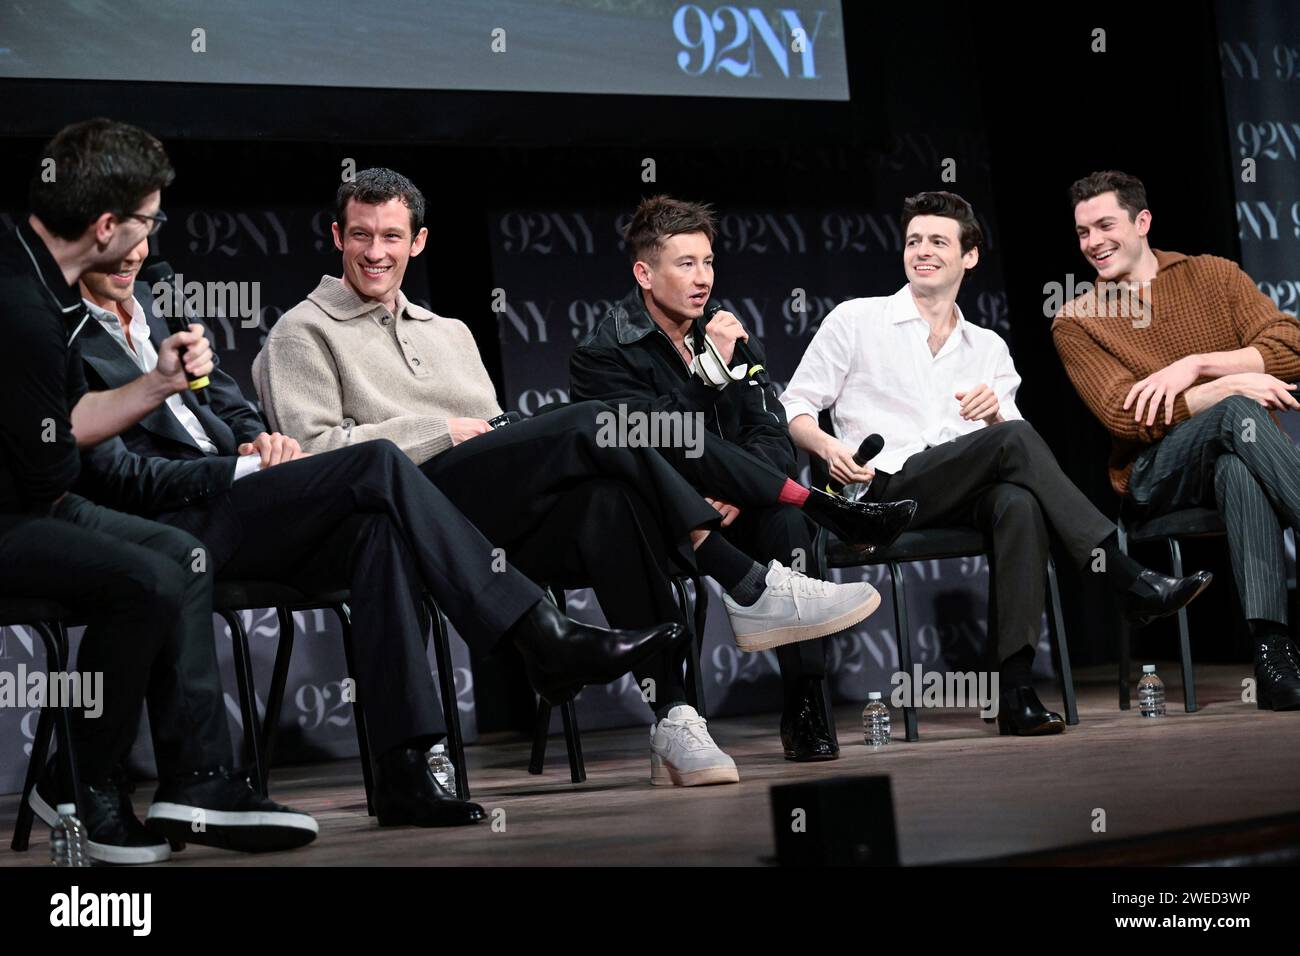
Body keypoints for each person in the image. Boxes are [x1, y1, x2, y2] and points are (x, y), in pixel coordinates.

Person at [254, 168, 894, 784]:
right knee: (600, 420)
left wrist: (488, 433)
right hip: (408, 506)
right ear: (338, 238)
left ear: (417, 243)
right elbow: (315, 456)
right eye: (361, 235)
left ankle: (674, 716)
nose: (376, 251)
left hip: (490, 512)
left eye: (391, 236)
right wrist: (436, 432)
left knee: (607, 502)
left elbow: (493, 425)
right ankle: (755, 572)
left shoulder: (448, 331)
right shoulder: (301, 332)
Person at [71, 234, 686, 834]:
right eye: (118, 232)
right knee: (381, 462)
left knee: (379, 529)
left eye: (144, 229)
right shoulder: (65, 333)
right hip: (181, 516)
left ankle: (404, 770)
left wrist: (256, 438)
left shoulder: (157, 304)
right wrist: (239, 464)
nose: (133, 251)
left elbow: (226, 408)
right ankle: (540, 636)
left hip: (245, 494)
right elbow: (114, 472)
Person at [0, 118, 317, 864]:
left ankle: (190, 781)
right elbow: (52, 465)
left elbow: (66, 421)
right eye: (147, 217)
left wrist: (158, 384)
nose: (152, 234)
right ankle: (84, 781)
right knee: (144, 578)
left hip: (32, 497)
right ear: (107, 226)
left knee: (182, 556)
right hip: (14, 513)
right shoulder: (22, 306)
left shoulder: (39, 277)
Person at [781, 190, 1213, 735]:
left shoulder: (987, 347)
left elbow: (1012, 449)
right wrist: (827, 448)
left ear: (970, 256)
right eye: (914, 240)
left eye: (939, 241)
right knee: (1012, 442)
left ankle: (1013, 691)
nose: (923, 251)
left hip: (959, 497)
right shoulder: (857, 320)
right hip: (881, 494)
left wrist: (990, 421)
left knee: (1019, 502)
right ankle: (1123, 576)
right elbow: (794, 406)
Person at [570, 195, 919, 759]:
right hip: (661, 521)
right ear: (644, 272)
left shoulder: (729, 330)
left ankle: (806, 705)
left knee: (786, 525)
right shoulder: (602, 353)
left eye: (708, 262)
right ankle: (678, 718)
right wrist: (710, 372)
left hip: (741, 504)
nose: (703, 278)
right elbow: (648, 441)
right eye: (685, 264)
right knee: (645, 491)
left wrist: (735, 488)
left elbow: (772, 434)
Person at [1054, 170, 1300, 712]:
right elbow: (1125, 415)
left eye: (1104, 225)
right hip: (1154, 476)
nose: (1092, 242)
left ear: (1142, 222)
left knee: (1239, 470)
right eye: (1081, 232)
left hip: (1238, 459)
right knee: (1237, 409)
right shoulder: (1078, 318)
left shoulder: (1211, 275)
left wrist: (1198, 366)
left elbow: (1289, 343)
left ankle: (1273, 656)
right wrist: (1230, 385)